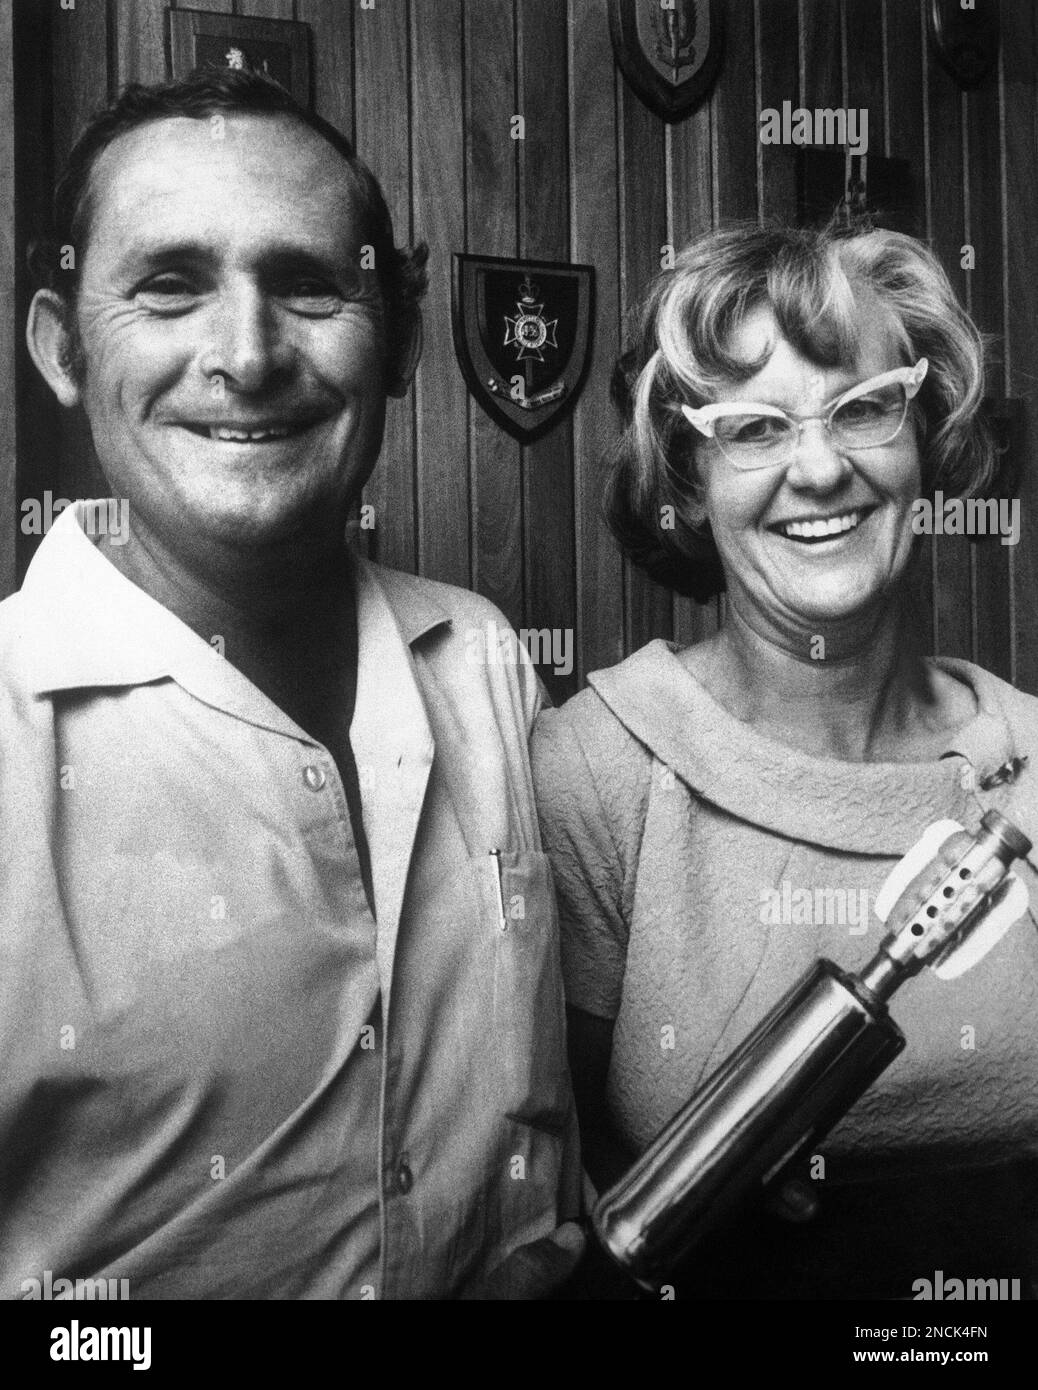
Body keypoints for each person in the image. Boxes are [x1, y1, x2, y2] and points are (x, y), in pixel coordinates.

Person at [0, 67, 581, 1300]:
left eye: (310, 285)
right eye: (171, 287)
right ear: (60, 349)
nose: (247, 354)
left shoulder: (481, 663)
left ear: (404, 342)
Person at [533, 223, 1038, 1299]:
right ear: (689, 474)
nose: (820, 468)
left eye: (864, 408)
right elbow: (545, 1181)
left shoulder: (1033, 757)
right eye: (755, 428)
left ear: (927, 434)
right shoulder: (597, 768)